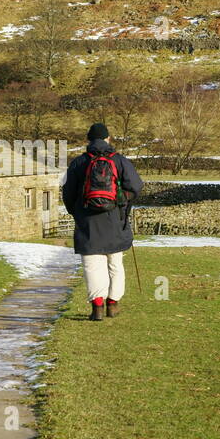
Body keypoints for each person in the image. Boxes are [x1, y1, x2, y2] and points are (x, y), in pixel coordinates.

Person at [61, 123, 143, 321]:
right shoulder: (120, 161)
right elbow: (137, 187)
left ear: (89, 140)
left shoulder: (79, 162)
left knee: (92, 265)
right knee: (115, 263)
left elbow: (68, 193)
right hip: (115, 220)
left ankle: (97, 306)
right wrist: (121, 201)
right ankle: (113, 304)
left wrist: (77, 212)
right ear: (108, 139)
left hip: (87, 221)